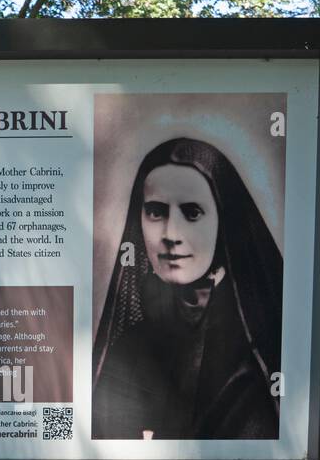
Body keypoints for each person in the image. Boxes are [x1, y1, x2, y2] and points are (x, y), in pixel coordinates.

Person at [91, 137, 282, 440]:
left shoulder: (263, 346)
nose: (171, 234)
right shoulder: (128, 346)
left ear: (224, 220)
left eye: (192, 213)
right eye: (156, 211)